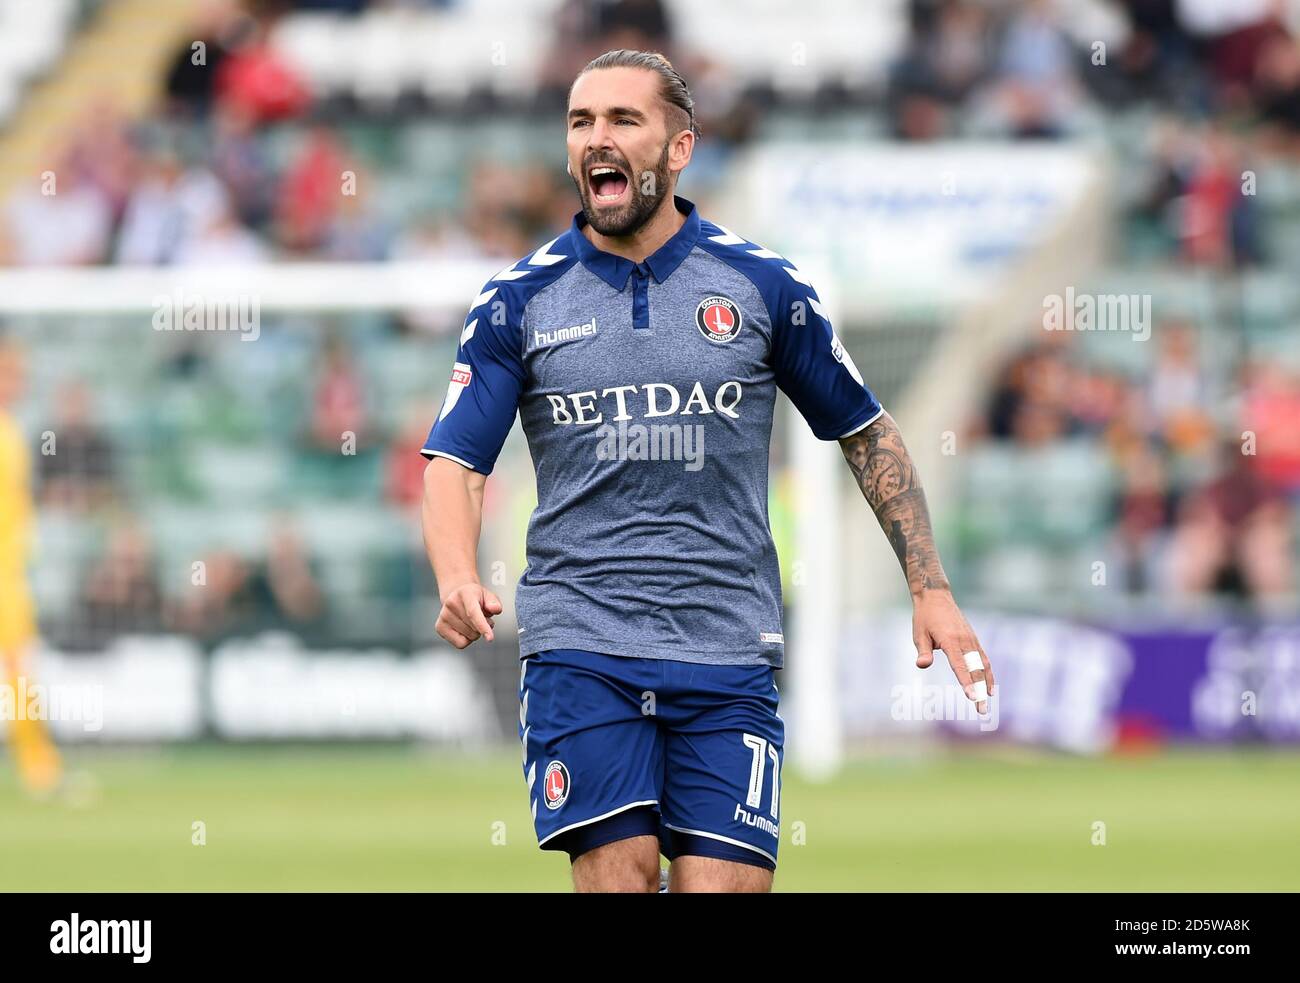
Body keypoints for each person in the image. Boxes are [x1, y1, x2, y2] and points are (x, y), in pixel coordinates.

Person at [419, 50, 994, 893]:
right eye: (581, 122)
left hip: (728, 647)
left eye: (623, 120)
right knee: (618, 878)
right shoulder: (518, 300)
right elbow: (456, 459)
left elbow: (866, 432)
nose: (595, 139)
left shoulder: (763, 287)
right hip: (584, 642)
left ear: (679, 148)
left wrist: (929, 583)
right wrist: (458, 573)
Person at [0, 338, 63, 796]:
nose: (17, 383)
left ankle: (39, 767)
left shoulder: (12, 432)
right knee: (20, 667)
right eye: (10, 373)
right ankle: (39, 768)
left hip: (10, 573)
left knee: (21, 667)